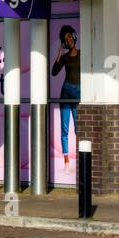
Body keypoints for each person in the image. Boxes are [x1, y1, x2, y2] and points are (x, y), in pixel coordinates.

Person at [51, 25, 81, 165]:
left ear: (74, 36)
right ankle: (66, 159)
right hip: (66, 91)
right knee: (64, 127)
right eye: (65, 39)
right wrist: (59, 53)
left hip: (78, 92)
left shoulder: (82, 54)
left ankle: (81, 154)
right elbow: (54, 72)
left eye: (69, 36)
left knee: (77, 126)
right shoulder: (64, 57)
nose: (68, 40)